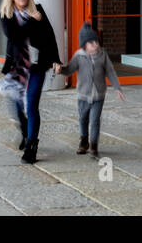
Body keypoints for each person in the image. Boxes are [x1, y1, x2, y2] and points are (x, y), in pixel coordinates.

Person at [0, 0, 59, 165]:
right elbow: (15, 36)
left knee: (31, 104)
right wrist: (33, 19)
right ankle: (25, 131)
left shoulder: (38, 9)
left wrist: (56, 59)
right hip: (17, 67)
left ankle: (32, 147)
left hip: (36, 66)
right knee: (17, 105)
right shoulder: (6, 15)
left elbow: (50, 36)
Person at [53, 22, 124, 159]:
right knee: (83, 119)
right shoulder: (78, 56)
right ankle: (84, 141)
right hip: (83, 95)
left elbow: (110, 71)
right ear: (84, 45)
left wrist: (117, 87)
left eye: (96, 42)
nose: (95, 45)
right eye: (92, 43)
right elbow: (69, 70)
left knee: (95, 120)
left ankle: (94, 147)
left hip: (99, 95)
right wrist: (61, 70)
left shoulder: (102, 55)